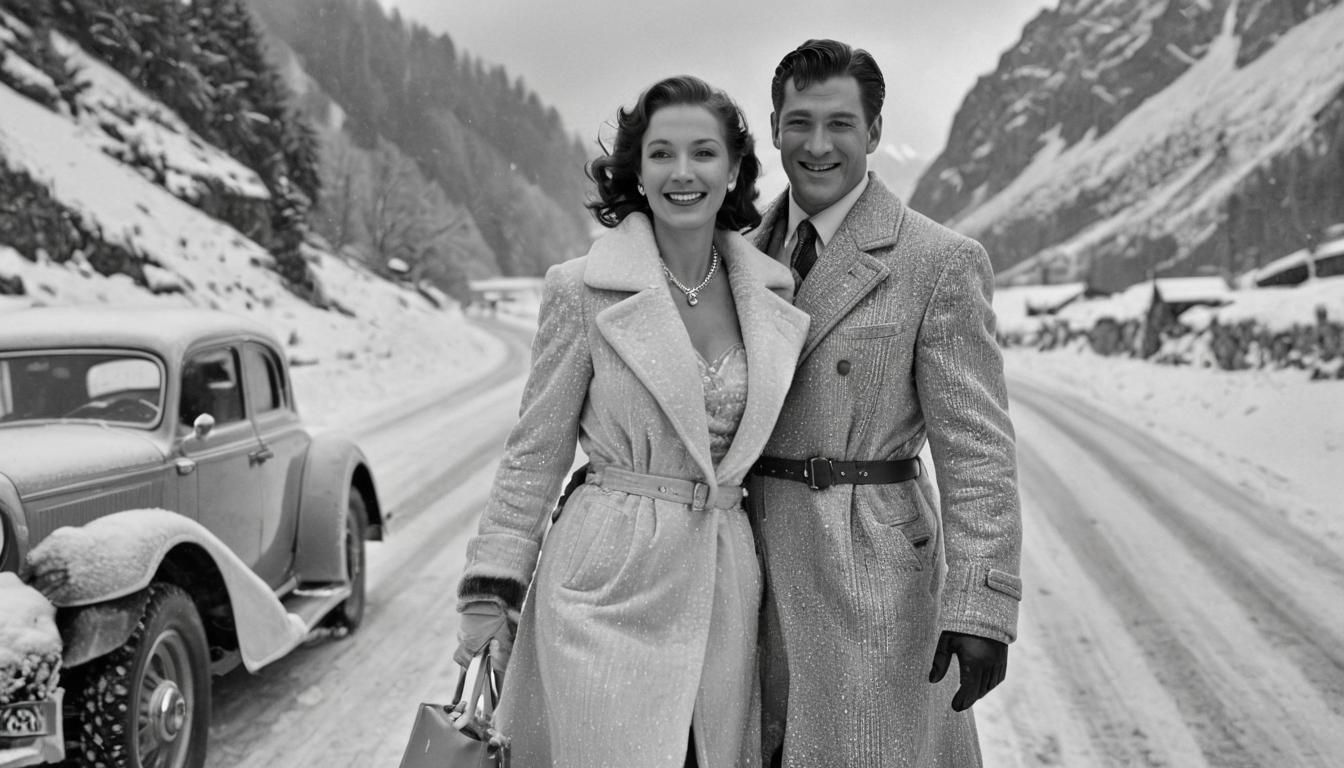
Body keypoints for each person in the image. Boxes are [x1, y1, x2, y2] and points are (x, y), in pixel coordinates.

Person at [452, 75, 810, 768]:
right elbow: (535, 452)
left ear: (733, 169)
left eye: (704, 153)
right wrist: (492, 586)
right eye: (662, 154)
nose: (683, 173)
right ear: (636, 173)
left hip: (722, 577)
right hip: (603, 584)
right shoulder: (580, 288)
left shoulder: (773, 293)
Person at [747, 40, 1023, 767]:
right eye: (799, 121)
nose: (817, 145)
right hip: (748, 555)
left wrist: (983, 606)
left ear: (873, 132)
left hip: (872, 568)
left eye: (840, 123)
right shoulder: (738, 258)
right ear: (773, 126)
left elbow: (978, 448)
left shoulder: (937, 261)